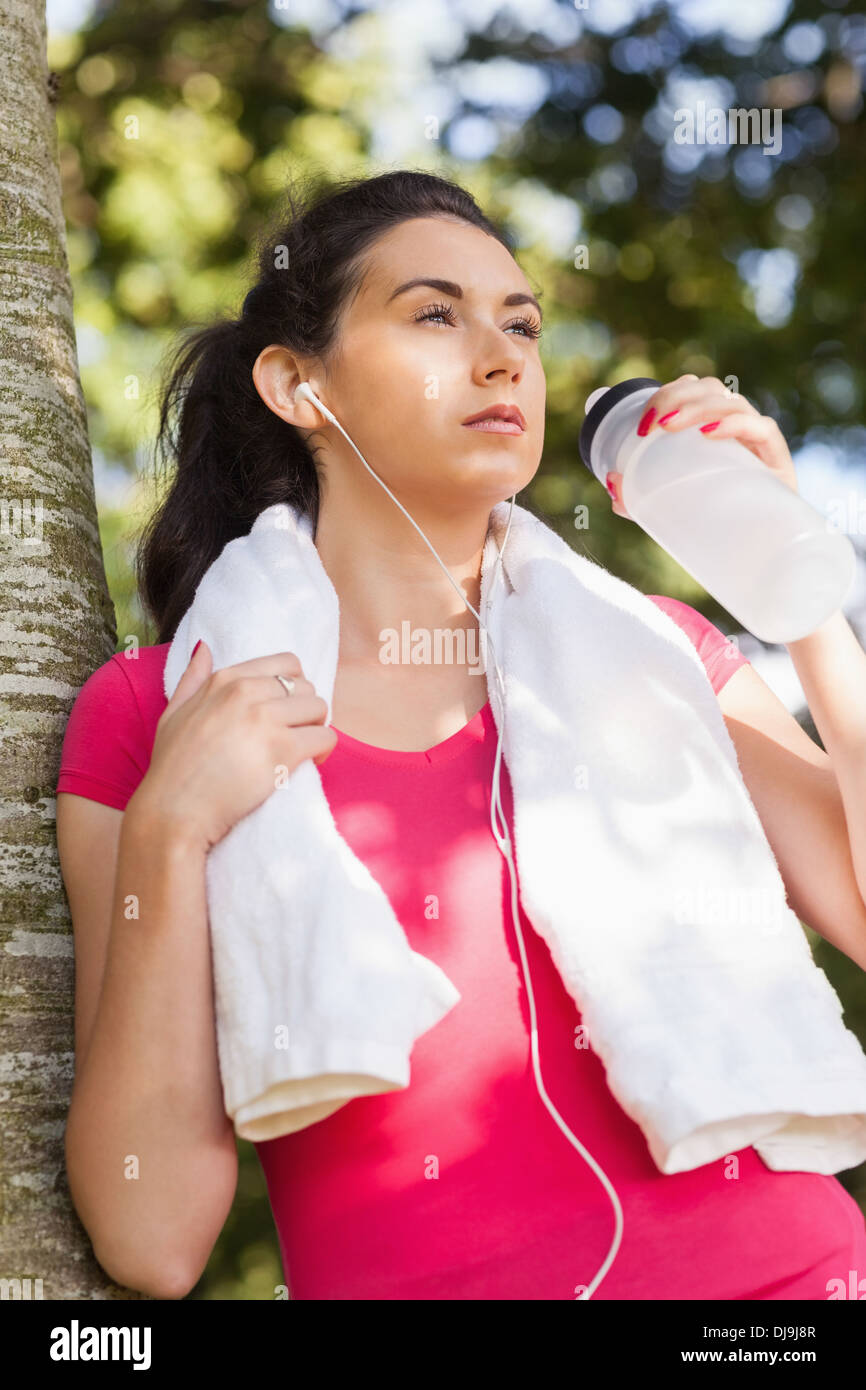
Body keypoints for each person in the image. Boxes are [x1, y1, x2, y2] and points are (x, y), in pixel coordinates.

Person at [57, 169, 866, 1301]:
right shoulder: (165, 712)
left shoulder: (657, 654)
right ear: (298, 384)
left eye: (520, 324)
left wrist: (793, 576)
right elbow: (151, 1236)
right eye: (435, 314)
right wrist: (169, 826)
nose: (501, 358)